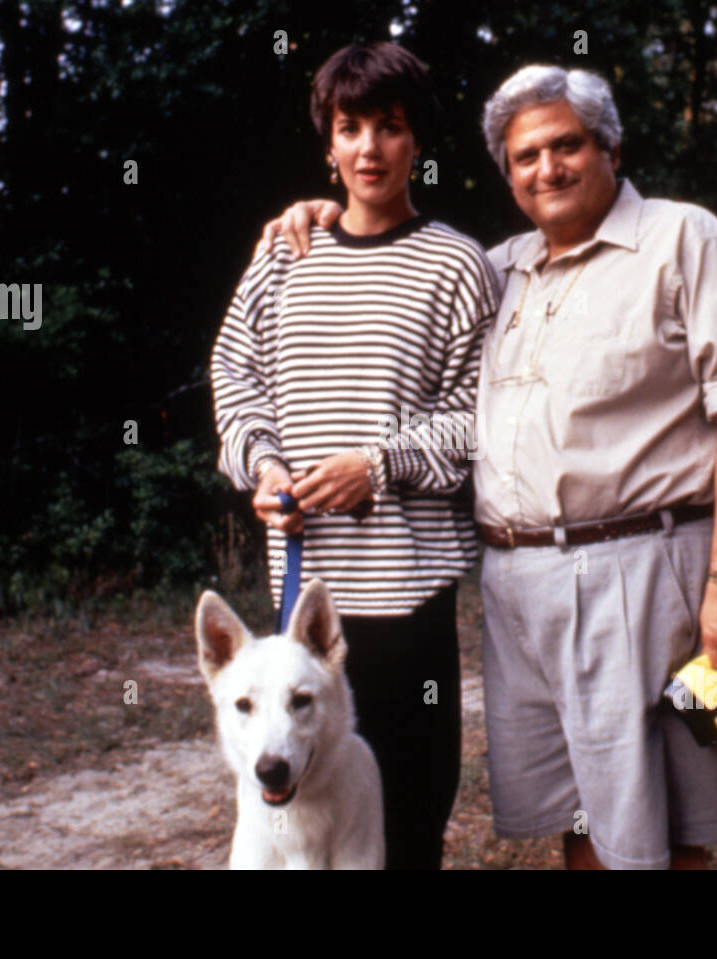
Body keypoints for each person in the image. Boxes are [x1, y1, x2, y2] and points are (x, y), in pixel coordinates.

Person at [262, 64, 717, 870]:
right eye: (524, 157)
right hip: (519, 586)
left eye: (566, 145)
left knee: (660, 822)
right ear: (507, 175)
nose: (547, 168)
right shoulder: (499, 268)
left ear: (612, 148)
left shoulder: (688, 240)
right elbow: (388, 259)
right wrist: (323, 212)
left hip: (643, 571)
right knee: (579, 815)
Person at [209, 42, 500, 870]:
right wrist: (262, 465)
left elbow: (480, 419)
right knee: (298, 825)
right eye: (350, 128)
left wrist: (378, 464)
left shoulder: (457, 264)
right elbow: (235, 373)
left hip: (408, 596)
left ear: (418, 141)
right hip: (306, 601)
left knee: (407, 817)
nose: (369, 147)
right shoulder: (284, 252)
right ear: (328, 143)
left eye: (391, 126)